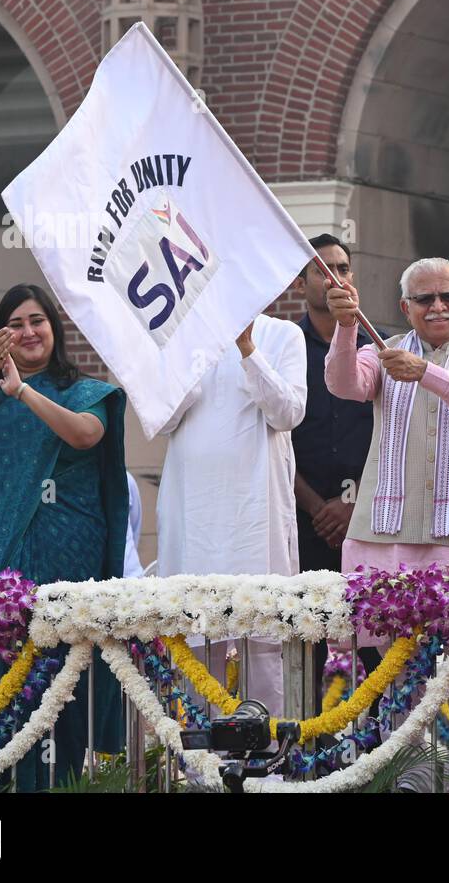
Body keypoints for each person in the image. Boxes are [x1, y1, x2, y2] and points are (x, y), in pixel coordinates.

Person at [325, 257, 449, 785]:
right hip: (392, 531)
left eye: (448, 297)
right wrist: (346, 326)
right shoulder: (382, 351)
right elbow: (344, 384)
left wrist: (427, 375)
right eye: (425, 300)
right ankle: (407, 775)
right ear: (405, 308)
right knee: (397, 663)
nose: (438, 307)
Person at [0, 283, 126, 789]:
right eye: (15, 323)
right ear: (0, 335)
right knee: (0, 688)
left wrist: (24, 390)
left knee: (64, 684)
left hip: (67, 562)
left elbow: (85, 435)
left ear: (54, 328)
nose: (28, 331)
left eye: (36, 321)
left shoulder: (84, 391)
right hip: (0, 571)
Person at [156, 300, 307, 717]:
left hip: (255, 515)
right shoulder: (181, 336)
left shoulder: (283, 335)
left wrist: (248, 350)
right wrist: (200, 349)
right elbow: (160, 417)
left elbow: (289, 413)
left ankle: (270, 764)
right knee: (196, 645)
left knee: (262, 646)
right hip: (194, 513)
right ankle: (203, 768)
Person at [291, 233, 382, 710]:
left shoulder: (378, 345)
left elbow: (395, 435)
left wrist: (355, 504)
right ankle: (301, 758)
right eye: (322, 270)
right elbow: (275, 438)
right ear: (299, 281)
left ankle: (393, 757)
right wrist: (317, 506)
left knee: (380, 644)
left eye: (343, 268)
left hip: (370, 519)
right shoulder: (285, 346)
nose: (335, 278)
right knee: (306, 642)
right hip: (304, 521)